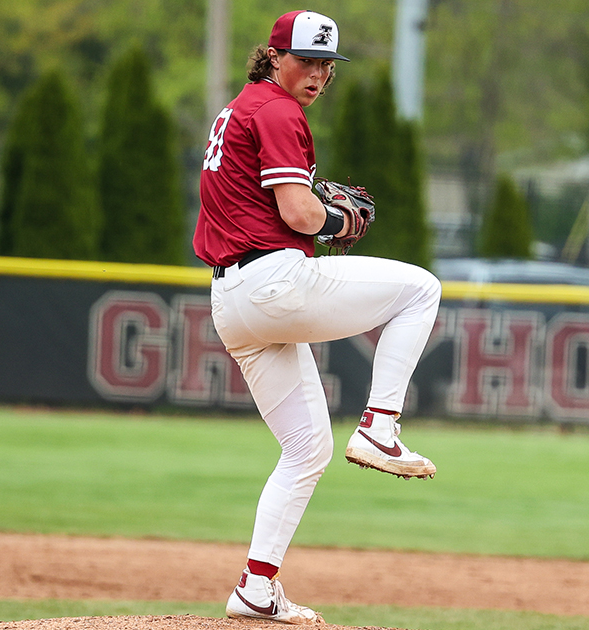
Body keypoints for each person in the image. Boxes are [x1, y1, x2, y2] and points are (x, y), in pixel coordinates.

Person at [194, 9, 442, 625]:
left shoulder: (240, 108)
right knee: (420, 290)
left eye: (327, 65)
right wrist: (336, 219)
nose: (317, 74)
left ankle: (256, 587)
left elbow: (264, 200)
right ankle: (380, 425)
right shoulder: (279, 110)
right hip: (273, 281)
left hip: (232, 301)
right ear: (275, 56)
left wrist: (311, 209)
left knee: (306, 449)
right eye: (306, 60)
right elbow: (301, 216)